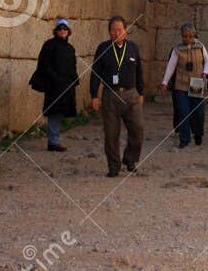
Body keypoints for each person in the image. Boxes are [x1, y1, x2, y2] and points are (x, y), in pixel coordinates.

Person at [90, 15, 145, 176]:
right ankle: (113, 166)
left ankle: (130, 158)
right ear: (109, 32)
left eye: (120, 30)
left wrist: (141, 92)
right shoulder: (103, 48)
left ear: (125, 31)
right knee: (111, 133)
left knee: (138, 128)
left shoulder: (133, 48)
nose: (116, 33)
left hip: (131, 95)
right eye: (113, 30)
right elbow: (95, 73)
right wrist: (94, 95)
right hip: (110, 95)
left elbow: (139, 71)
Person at [30, 17, 80, 152]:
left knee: (60, 112)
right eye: (60, 28)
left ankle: (54, 140)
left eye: (65, 28)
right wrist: (56, 79)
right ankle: (53, 142)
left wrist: (74, 80)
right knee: (54, 112)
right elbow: (44, 64)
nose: (62, 30)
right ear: (56, 30)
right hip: (54, 86)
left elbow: (72, 66)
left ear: (68, 31)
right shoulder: (49, 45)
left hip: (66, 86)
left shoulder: (70, 48)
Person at [161, 23, 208, 148]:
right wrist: (164, 82)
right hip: (181, 85)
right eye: (185, 36)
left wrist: (205, 72)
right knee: (183, 111)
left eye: (190, 36)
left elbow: (207, 62)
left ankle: (198, 133)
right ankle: (184, 139)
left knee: (198, 112)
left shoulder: (200, 47)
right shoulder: (177, 50)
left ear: (194, 35)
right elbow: (171, 67)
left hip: (196, 83)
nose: (187, 39)